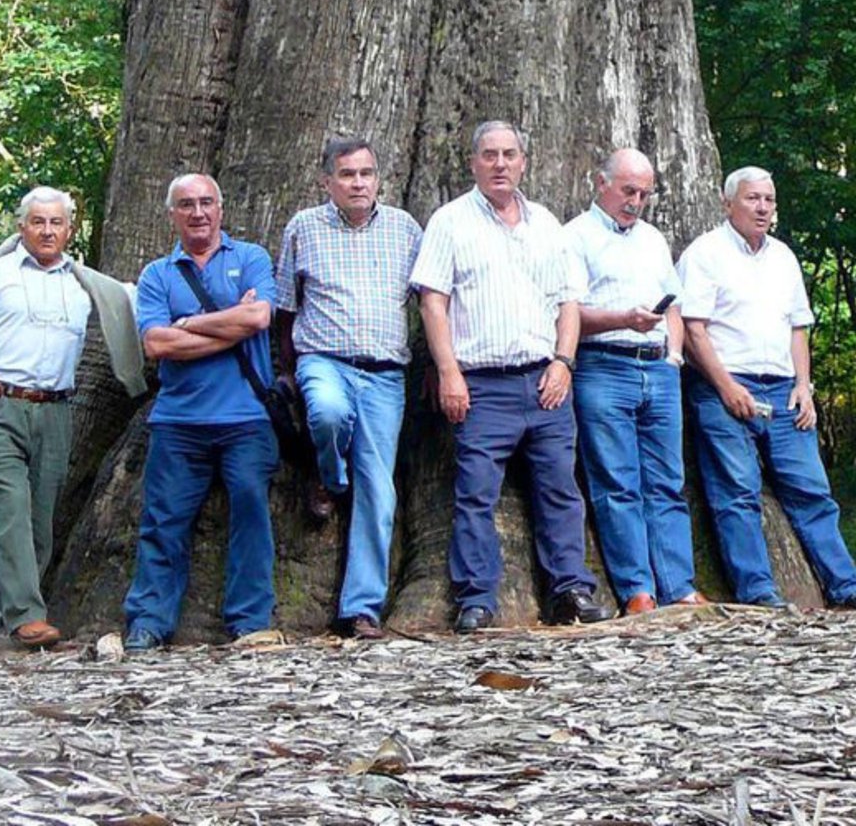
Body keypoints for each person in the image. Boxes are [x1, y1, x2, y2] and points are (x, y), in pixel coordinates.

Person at [411, 120, 611, 633]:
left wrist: (564, 362)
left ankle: (571, 590)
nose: (500, 164)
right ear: (474, 163)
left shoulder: (546, 223)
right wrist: (448, 370)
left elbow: (569, 301)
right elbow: (433, 301)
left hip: (545, 382)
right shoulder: (450, 222)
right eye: (489, 155)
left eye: (509, 155)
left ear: (524, 162)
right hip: (482, 384)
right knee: (476, 492)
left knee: (560, 489)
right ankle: (477, 598)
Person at [678, 166, 856, 608]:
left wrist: (805, 385)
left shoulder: (783, 258)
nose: (762, 208)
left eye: (768, 200)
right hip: (723, 386)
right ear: (728, 203)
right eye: (752, 198)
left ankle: (845, 586)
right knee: (736, 494)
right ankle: (759, 594)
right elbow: (693, 328)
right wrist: (725, 387)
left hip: (783, 390)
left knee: (812, 491)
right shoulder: (706, 253)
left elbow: (798, 327)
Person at [123, 173, 280, 651]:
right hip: (178, 421)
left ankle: (250, 621)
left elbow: (258, 318)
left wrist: (187, 324)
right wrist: (228, 324)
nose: (198, 212)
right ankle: (149, 621)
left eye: (206, 203)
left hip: (247, 417)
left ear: (220, 209)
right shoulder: (158, 274)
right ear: (172, 214)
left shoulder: (250, 258)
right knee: (163, 519)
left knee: (251, 509)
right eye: (187, 204)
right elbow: (155, 343)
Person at [276, 137, 422, 640]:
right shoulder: (304, 228)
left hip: (384, 374)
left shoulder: (405, 229)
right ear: (327, 182)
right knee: (328, 415)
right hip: (324, 361)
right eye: (346, 174)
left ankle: (361, 608)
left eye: (366, 173)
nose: (358, 182)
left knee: (380, 493)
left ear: (378, 178)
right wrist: (288, 370)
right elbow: (285, 309)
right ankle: (330, 476)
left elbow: (424, 299)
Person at [0, 187, 146, 649]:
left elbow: (141, 303)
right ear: (22, 227)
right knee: (9, 510)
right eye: (37, 222)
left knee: (41, 519)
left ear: (69, 229)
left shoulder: (85, 284)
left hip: (57, 409)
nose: (46, 231)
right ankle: (26, 615)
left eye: (55, 223)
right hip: (0, 408)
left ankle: (4, 622)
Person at [563, 148, 705, 614]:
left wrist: (675, 354)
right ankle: (637, 590)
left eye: (644, 192)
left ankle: (679, 587)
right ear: (600, 183)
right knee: (617, 482)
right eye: (628, 190)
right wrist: (623, 318)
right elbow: (568, 312)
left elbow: (676, 304)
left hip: (659, 368)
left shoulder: (652, 239)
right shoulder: (575, 237)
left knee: (667, 481)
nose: (636, 200)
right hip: (603, 364)